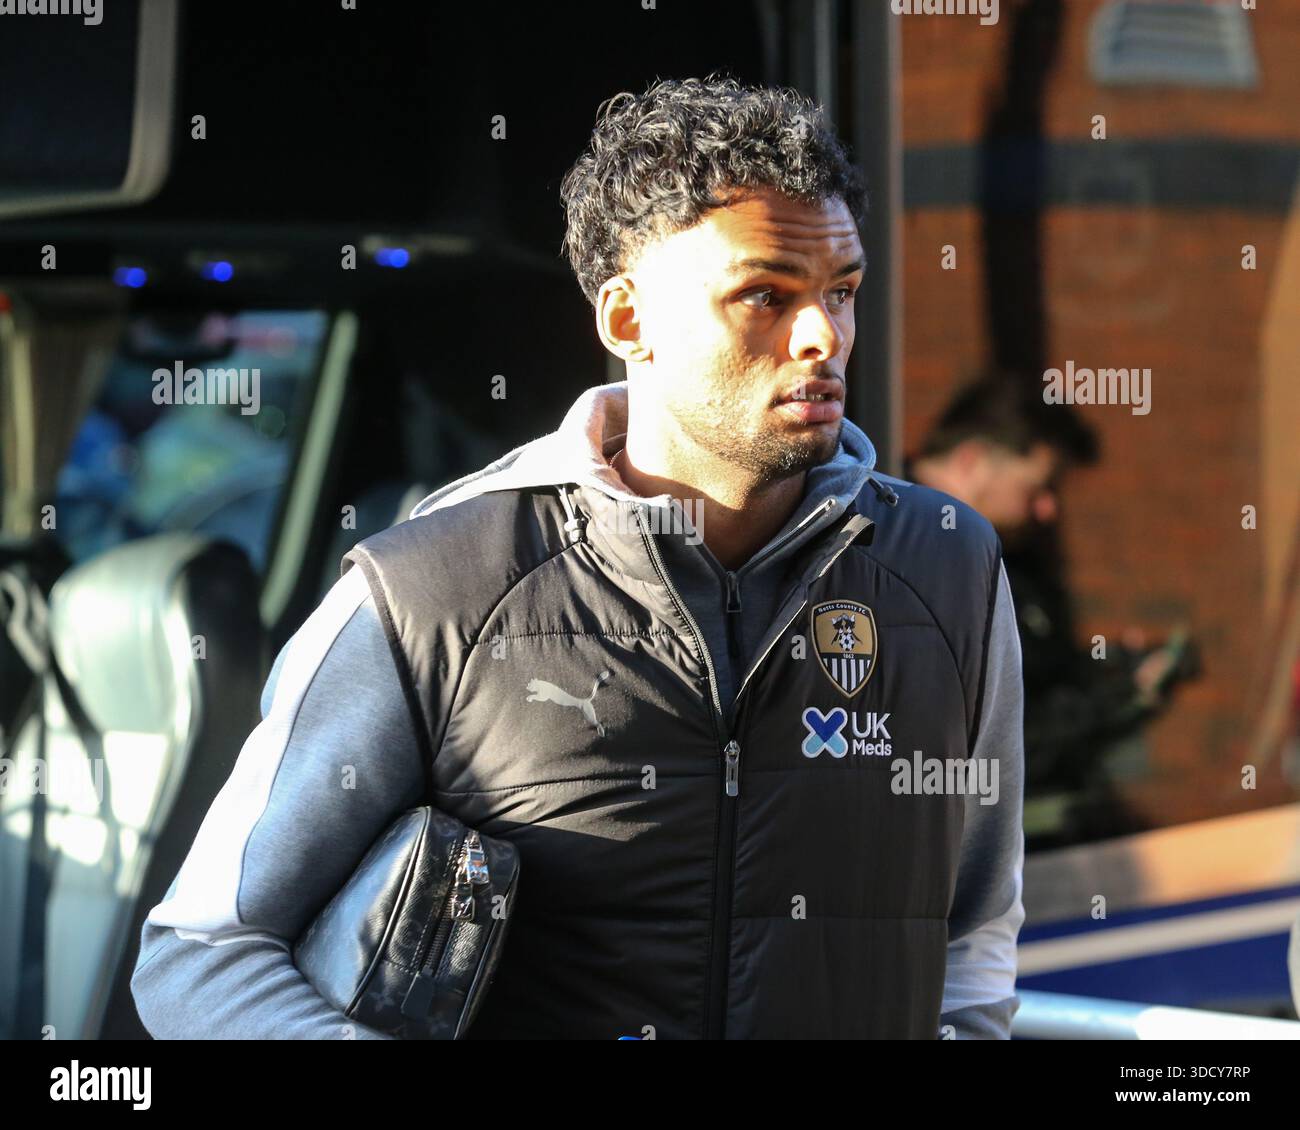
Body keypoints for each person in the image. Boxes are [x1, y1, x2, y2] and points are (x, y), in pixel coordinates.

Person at [130, 75, 1025, 1040]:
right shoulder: (434, 589)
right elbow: (202, 953)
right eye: (764, 295)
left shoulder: (948, 568)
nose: (824, 338)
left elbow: (973, 935)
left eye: (840, 293)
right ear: (627, 320)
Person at [908, 376, 1195, 836]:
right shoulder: (896, 553)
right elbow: (990, 741)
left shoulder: (1003, 556)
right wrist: (1113, 697)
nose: (1047, 510)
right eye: (1038, 487)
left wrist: (1110, 674)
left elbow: (1031, 683)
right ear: (971, 461)